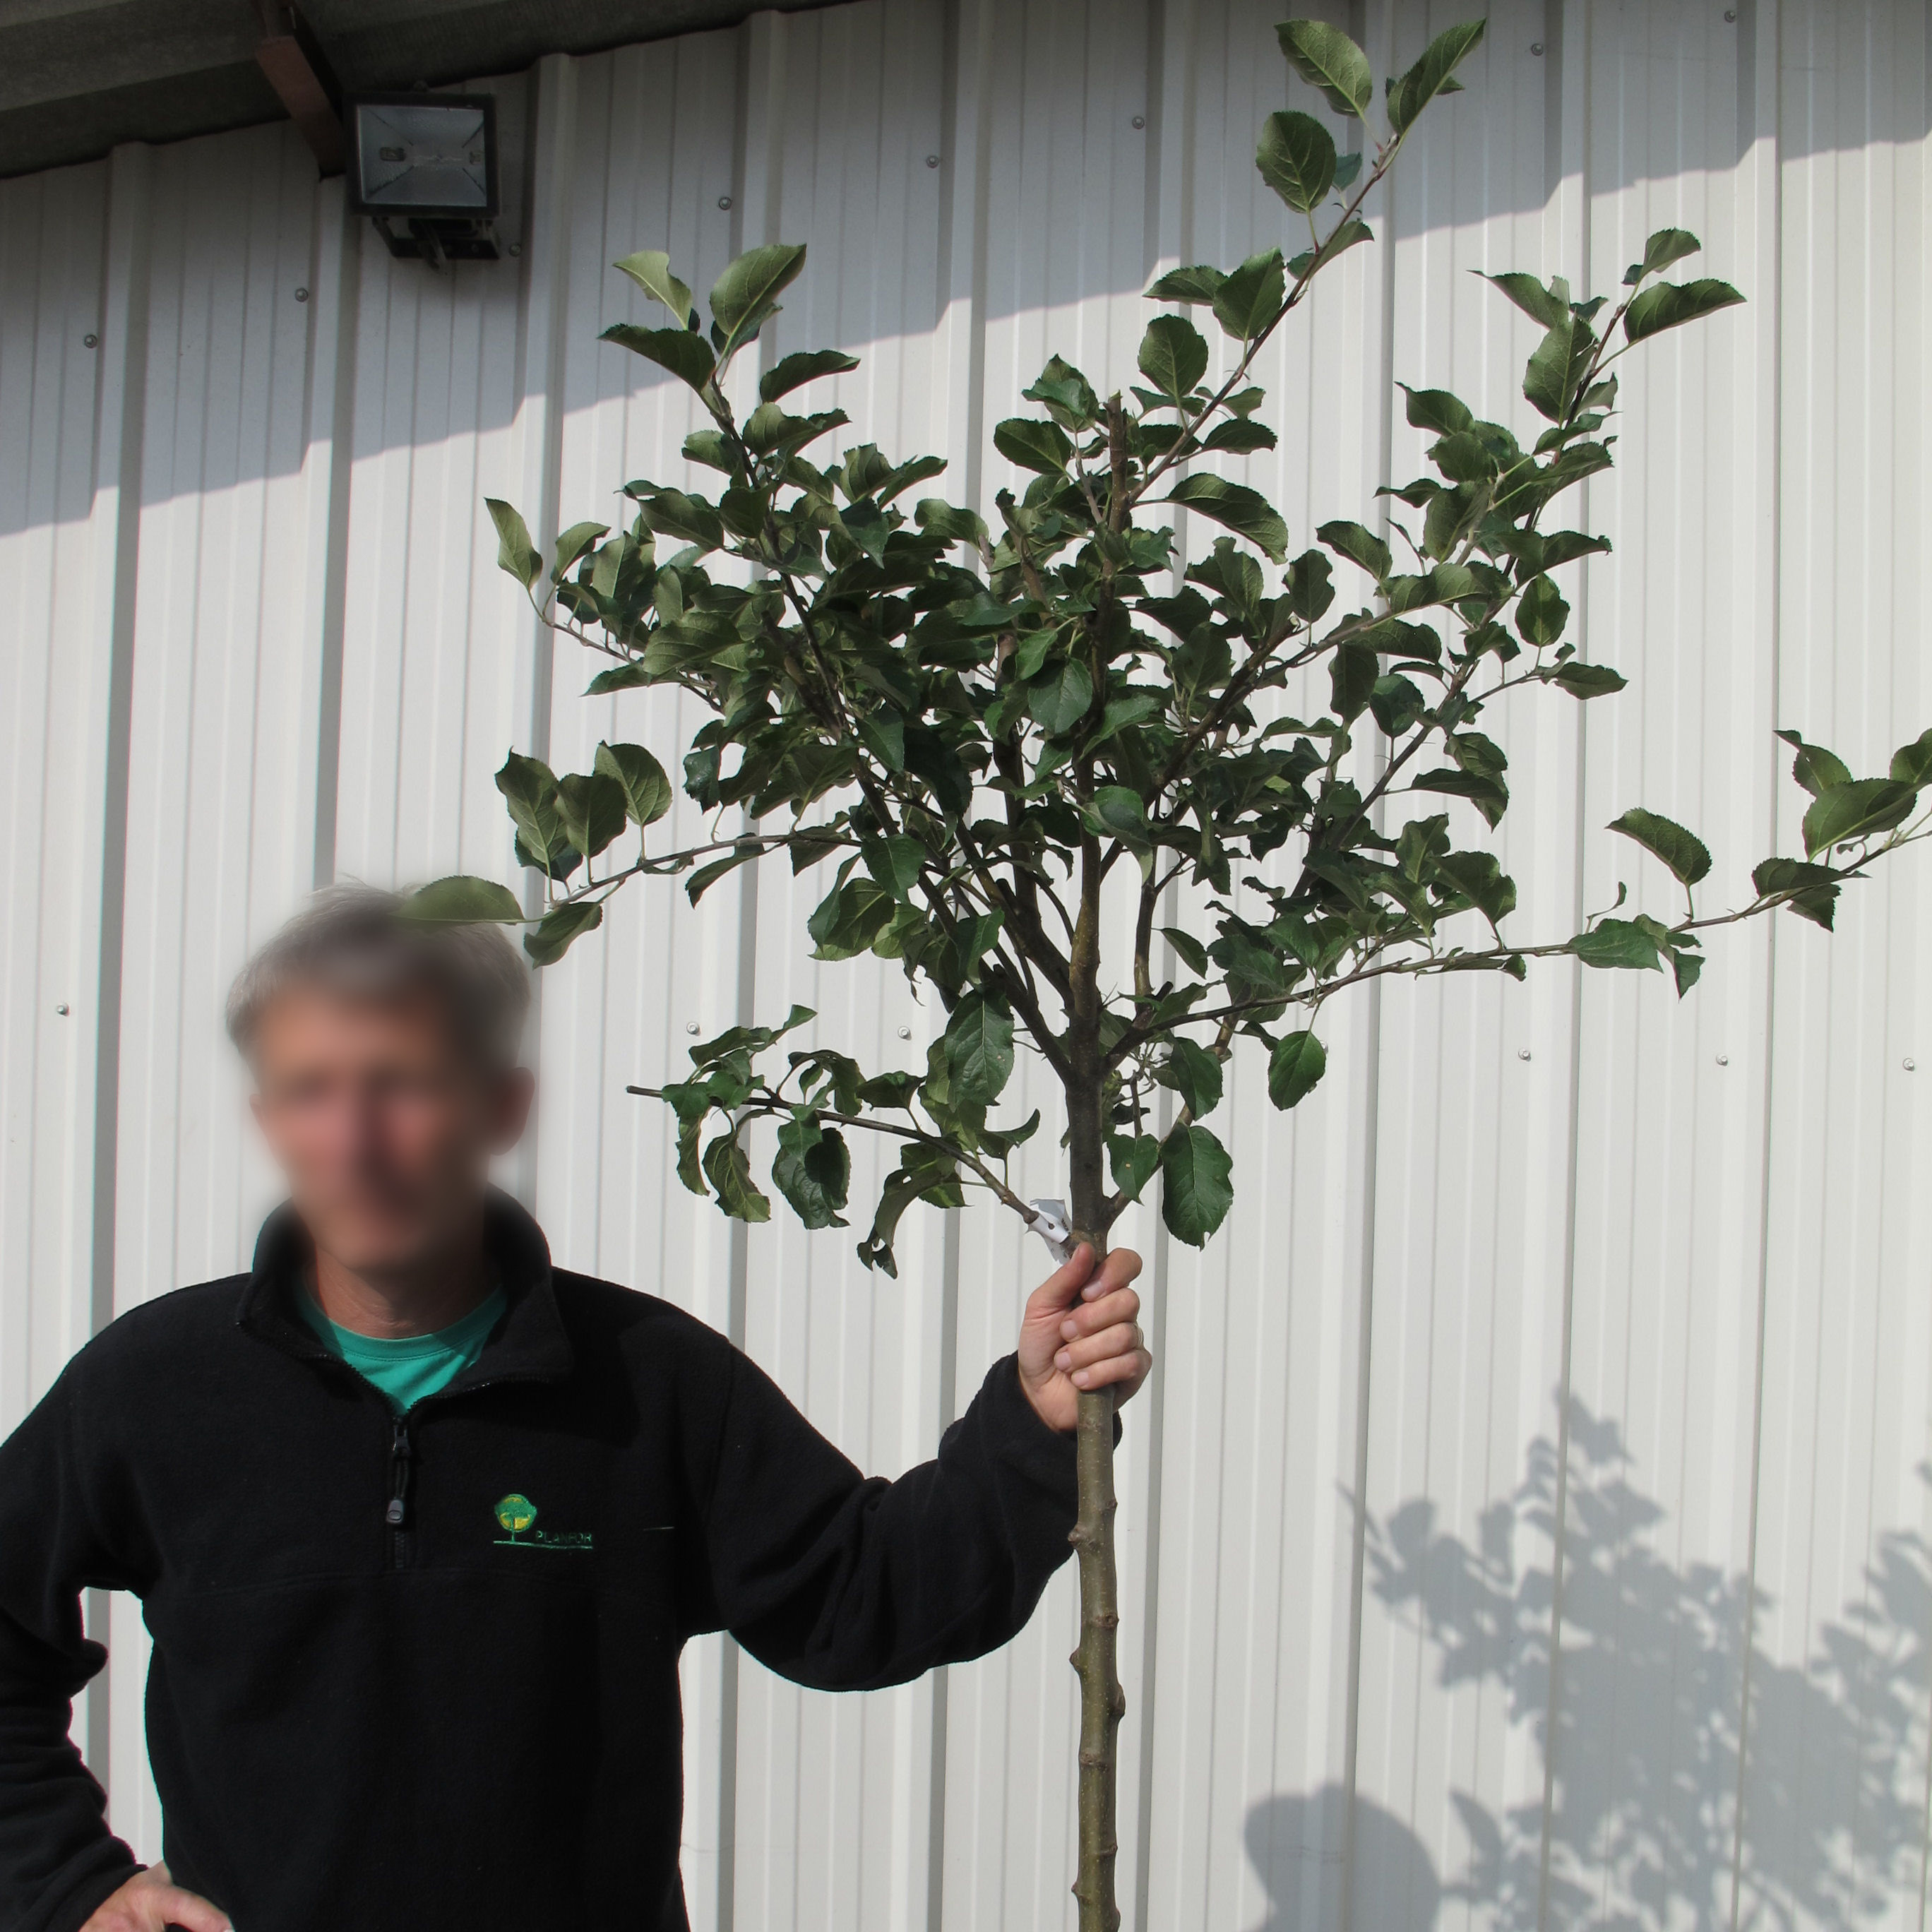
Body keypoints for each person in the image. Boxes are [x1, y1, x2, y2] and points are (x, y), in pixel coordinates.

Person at [0, 886, 1150, 1932]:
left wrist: (1033, 1427)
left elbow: (860, 1599)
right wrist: (71, 1885)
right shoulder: (155, 1388)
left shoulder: (648, 1381)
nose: (355, 1143)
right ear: (269, 1119)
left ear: (502, 1106)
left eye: (401, 1085)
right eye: (312, 1093)